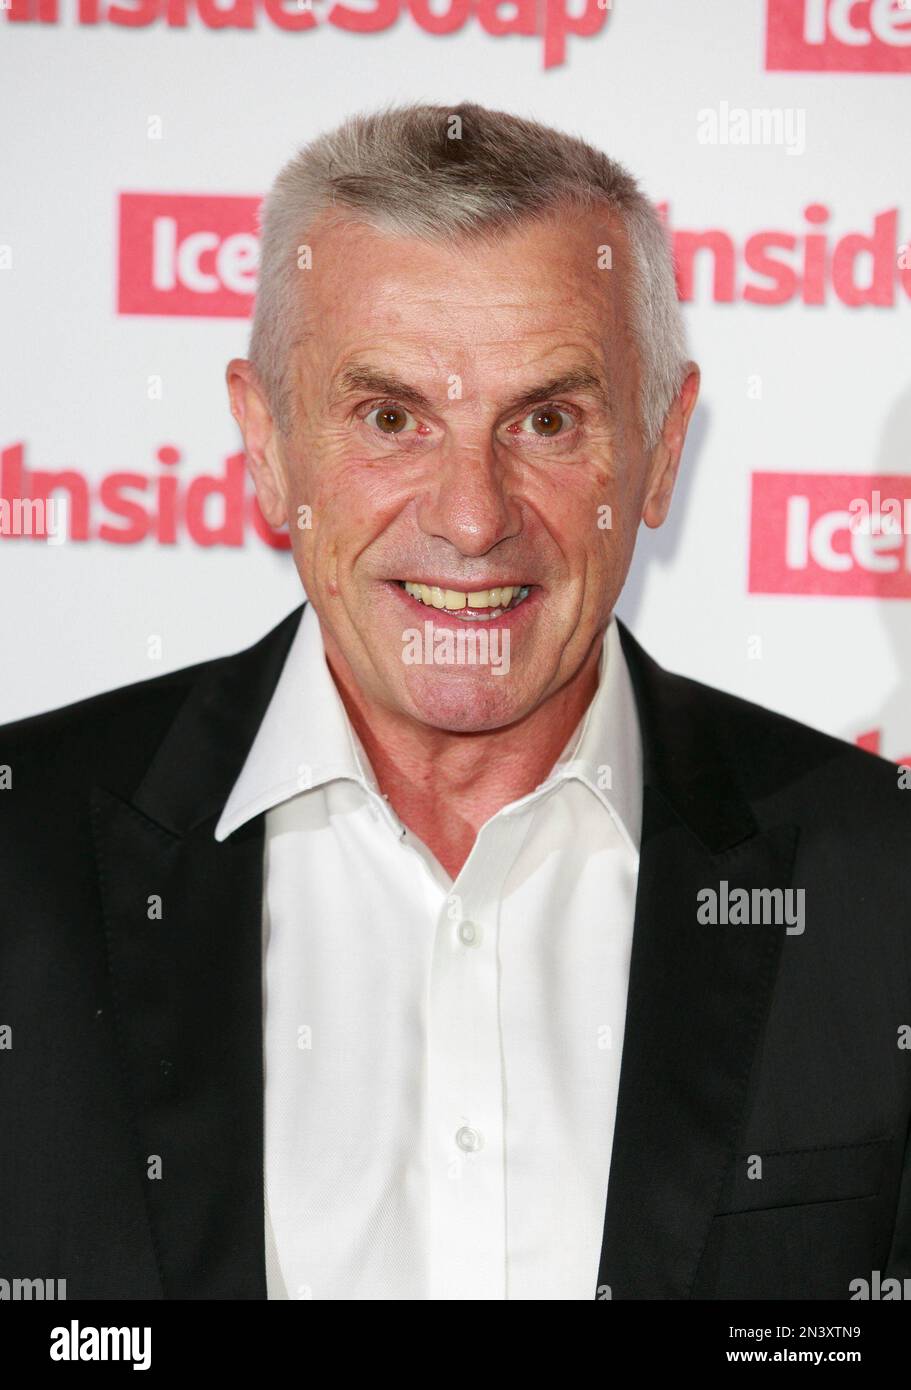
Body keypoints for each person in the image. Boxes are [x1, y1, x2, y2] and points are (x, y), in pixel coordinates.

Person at [1, 102, 908, 1301]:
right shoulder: (24, 855)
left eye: (545, 420)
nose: (471, 517)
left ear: (661, 444)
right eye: (389, 418)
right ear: (266, 443)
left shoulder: (880, 881)